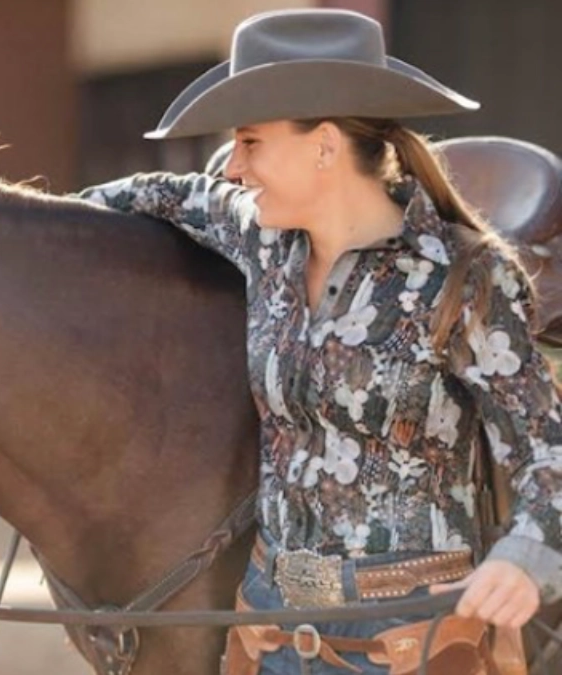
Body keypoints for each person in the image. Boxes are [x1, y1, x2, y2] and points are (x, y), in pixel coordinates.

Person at [75, 9, 562, 675]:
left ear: (325, 146)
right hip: (271, 629)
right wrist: (9, 225)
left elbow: (545, 448)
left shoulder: (462, 277)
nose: (235, 168)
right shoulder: (259, 236)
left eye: (251, 142)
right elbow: (148, 195)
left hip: (412, 643)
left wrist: (527, 553)